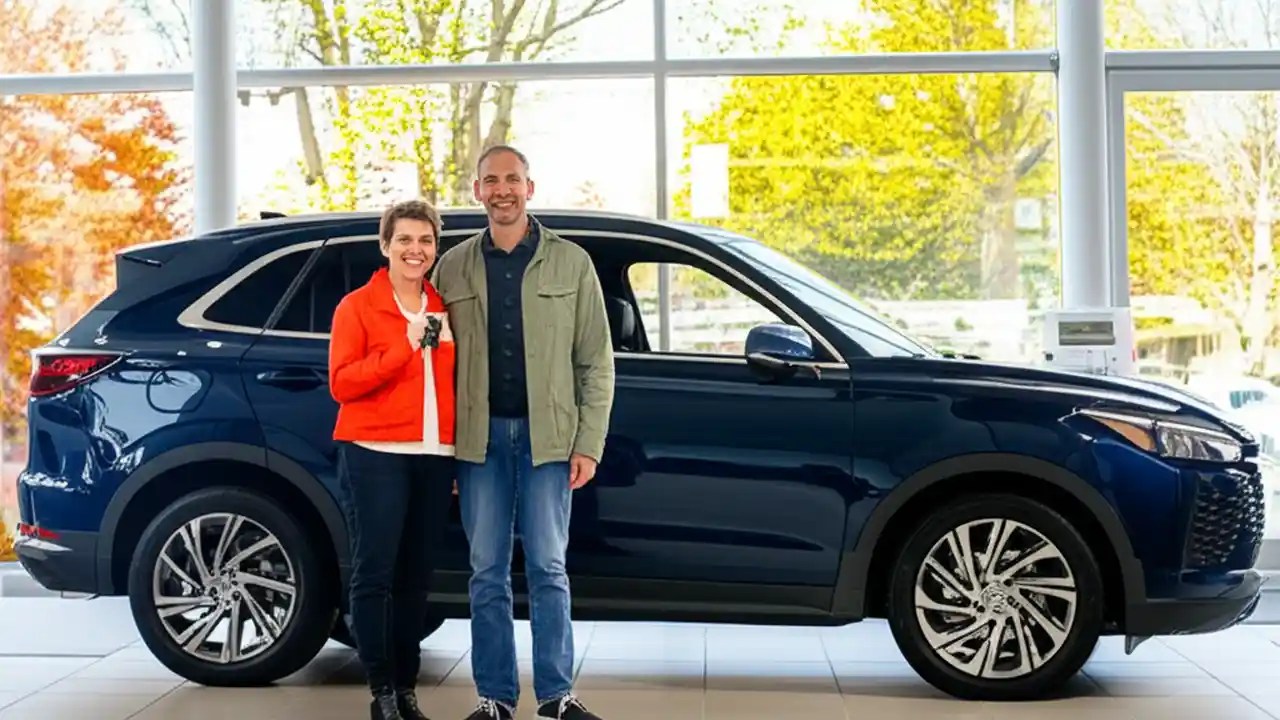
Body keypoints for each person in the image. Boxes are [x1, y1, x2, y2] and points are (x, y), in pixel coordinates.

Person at [433, 145, 615, 720]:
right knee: (485, 570)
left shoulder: (572, 263)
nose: (503, 189)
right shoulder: (452, 266)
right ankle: (495, 698)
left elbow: (596, 362)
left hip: (550, 442)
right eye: (492, 180)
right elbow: (431, 367)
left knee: (548, 569)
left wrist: (588, 443)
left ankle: (558, 695)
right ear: (477, 190)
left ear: (530, 188)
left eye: (513, 179)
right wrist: (446, 452)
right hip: (477, 442)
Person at [329, 199, 457, 720]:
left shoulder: (444, 306)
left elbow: (454, 383)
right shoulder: (357, 308)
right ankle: (381, 691)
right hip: (375, 452)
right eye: (404, 239)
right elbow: (342, 383)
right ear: (385, 247)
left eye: (425, 241)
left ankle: (407, 689)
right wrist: (401, 348)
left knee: (415, 579)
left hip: (434, 455)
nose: (415, 249)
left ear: (434, 249)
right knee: (374, 574)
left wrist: (453, 450)